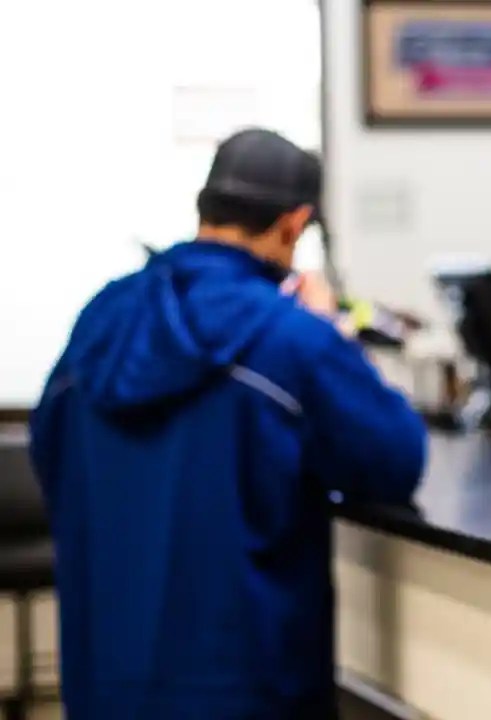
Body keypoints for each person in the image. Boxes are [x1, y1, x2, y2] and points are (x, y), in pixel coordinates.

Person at [28, 128, 428, 718]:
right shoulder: (293, 337)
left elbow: (48, 450)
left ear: (206, 208)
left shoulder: (103, 318)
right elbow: (394, 459)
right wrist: (334, 334)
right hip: (247, 688)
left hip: (106, 682)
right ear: (294, 224)